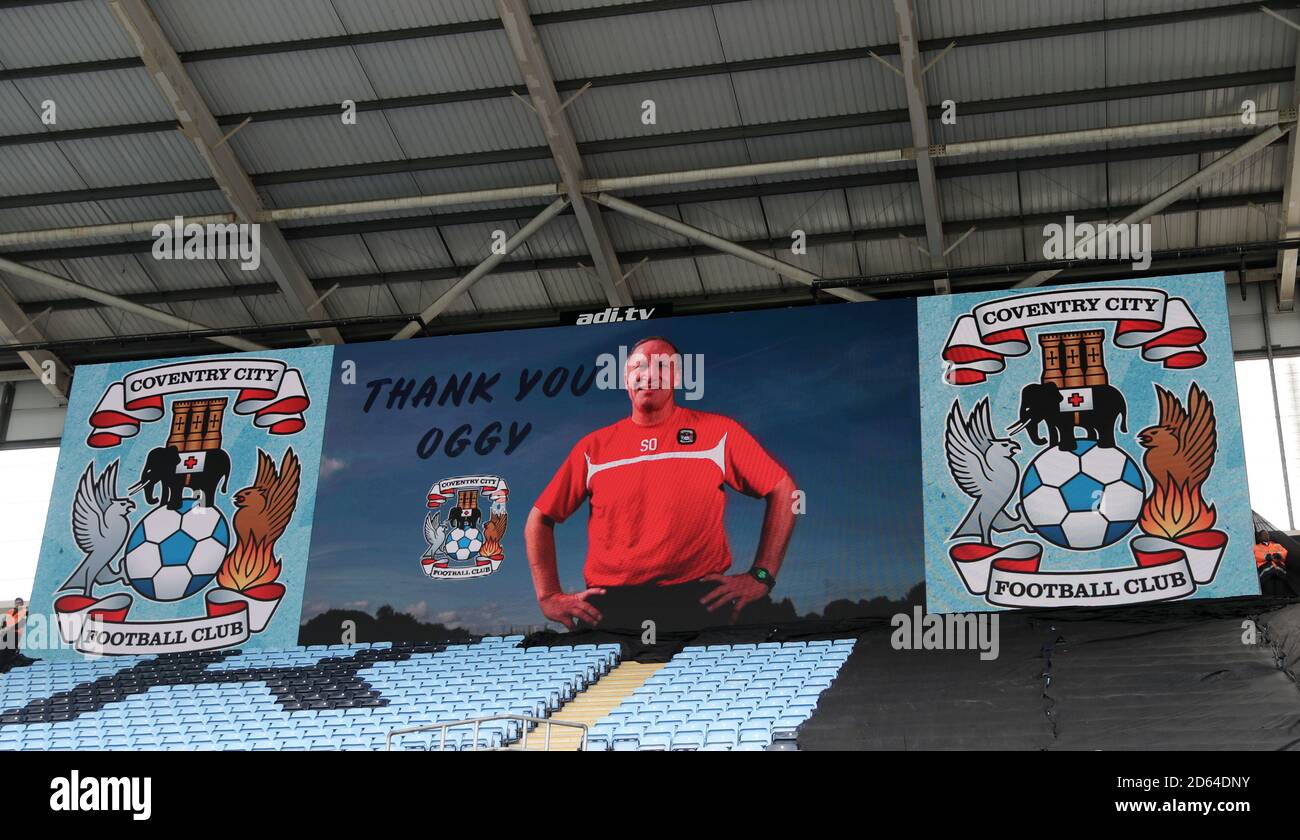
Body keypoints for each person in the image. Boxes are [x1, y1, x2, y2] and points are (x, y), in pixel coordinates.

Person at [526, 336, 798, 632]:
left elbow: (785, 491)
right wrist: (549, 595)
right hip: (610, 606)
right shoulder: (593, 447)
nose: (649, 375)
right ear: (626, 379)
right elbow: (539, 519)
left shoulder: (719, 432)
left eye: (662, 366)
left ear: (677, 377)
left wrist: (762, 575)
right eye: (638, 367)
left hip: (699, 600)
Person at [1255, 530, 1292, 597]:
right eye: (1264, 534)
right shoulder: (1256, 547)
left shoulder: (1277, 545)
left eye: (1267, 534)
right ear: (1259, 537)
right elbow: (1256, 555)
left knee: (1280, 592)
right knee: (1269, 593)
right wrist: (1266, 557)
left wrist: (1279, 555)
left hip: (1279, 572)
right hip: (1266, 574)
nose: (1266, 535)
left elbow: (1284, 551)